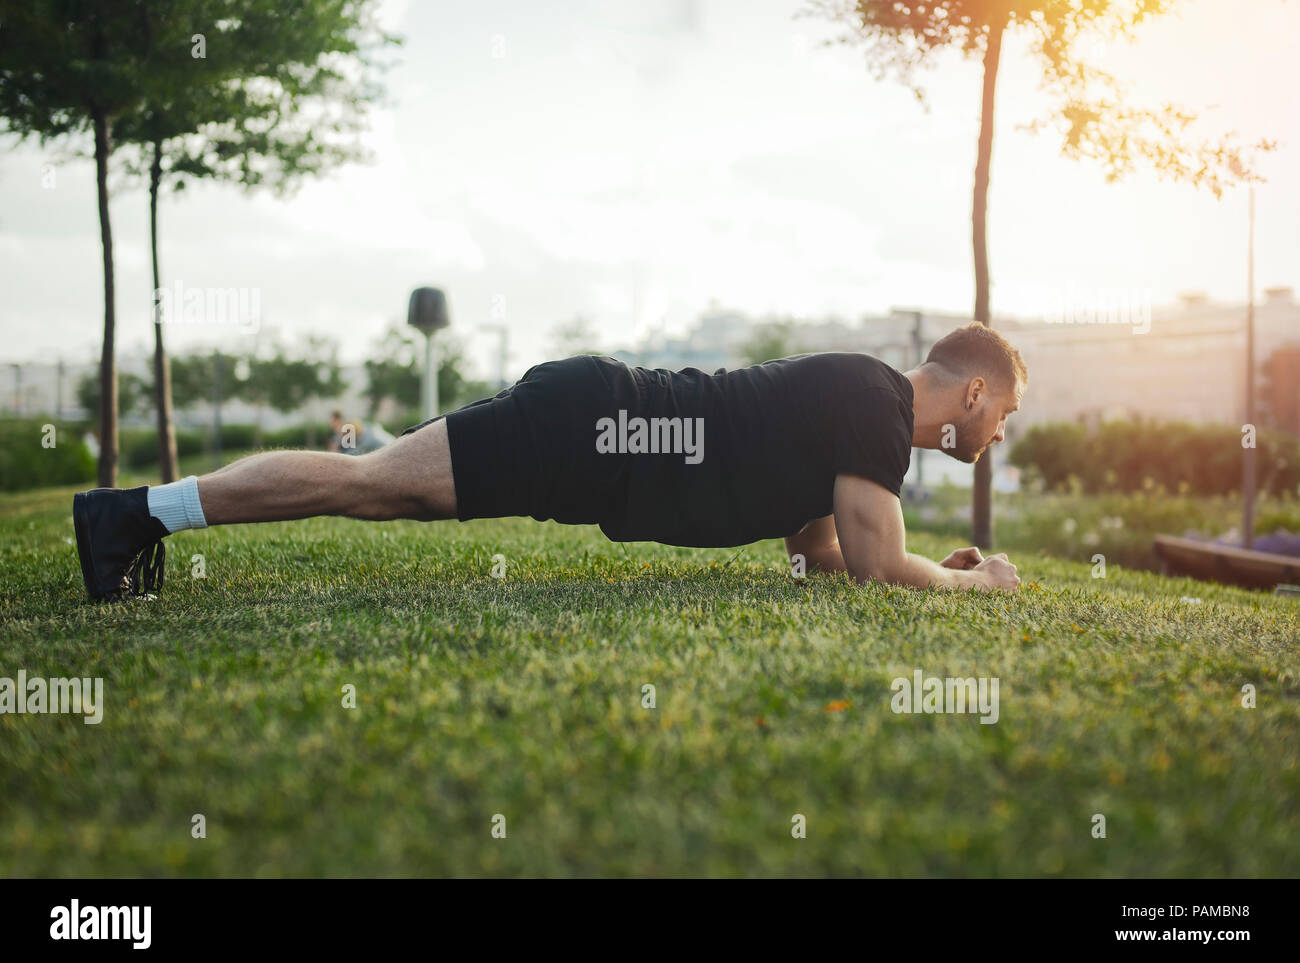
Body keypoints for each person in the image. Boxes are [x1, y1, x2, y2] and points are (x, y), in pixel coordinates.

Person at [72, 322, 1025, 602]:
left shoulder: (860, 418)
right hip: (597, 425)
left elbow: (820, 554)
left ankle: (137, 515)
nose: (1000, 436)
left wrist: (921, 570)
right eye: (1006, 413)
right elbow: (869, 563)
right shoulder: (877, 405)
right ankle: (134, 513)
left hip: (596, 433)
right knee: (370, 485)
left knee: (383, 494)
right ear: (972, 393)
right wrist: (983, 586)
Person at [327, 410, 395, 455]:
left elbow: (350, 455)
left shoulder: (367, 441)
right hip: (394, 443)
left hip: (392, 451)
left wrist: (336, 451)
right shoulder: (367, 427)